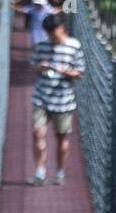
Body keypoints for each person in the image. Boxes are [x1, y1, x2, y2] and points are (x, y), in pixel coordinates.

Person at [28, 14, 85, 188]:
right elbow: (33, 67)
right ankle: (40, 173)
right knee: (38, 133)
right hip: (42, 98)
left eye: (54, 32)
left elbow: (80, 72)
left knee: (61, 139)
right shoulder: (42, 46)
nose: (52, 36)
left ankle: (59, 172)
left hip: (63, 101)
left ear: (61, 28)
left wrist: (65, 72)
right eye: (49, 33)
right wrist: (41, 66)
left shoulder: (74, 46)